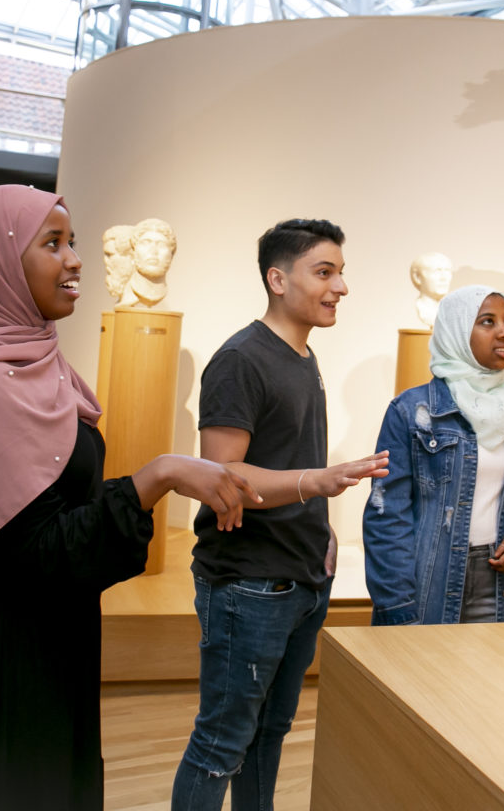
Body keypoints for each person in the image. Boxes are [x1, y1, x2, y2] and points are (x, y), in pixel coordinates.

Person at [0, 185, 257, 811]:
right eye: (52, 243)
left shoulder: (33, 366)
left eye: (70, 241)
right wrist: (157, 477)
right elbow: (40, 552)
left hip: (36, 649)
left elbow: (44, 511)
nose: (75, 260)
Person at [171, 218, 390, 810]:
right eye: (324, 272)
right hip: (249, 583)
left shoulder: (302, 356)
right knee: (221, 743)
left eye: (340, 272)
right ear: (277, 279)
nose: (340, 286)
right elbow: (223, 477)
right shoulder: (241, 360)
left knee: (268, 735)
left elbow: (278, 463)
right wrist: (316, 481)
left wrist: (321, 537)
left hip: (301, 578)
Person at [363, 285, 504, 625]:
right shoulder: (411, 410)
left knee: (492, 663)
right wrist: (397, 605)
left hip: (498, 583)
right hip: (425, 583)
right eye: (487, 321)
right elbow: (387, 513)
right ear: (457, 332)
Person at [409, 250, 452, 328]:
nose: (443, 278)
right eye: (437, 271)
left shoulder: (454, 312)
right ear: (417, 277)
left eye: (447, 271)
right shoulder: (415, 310)